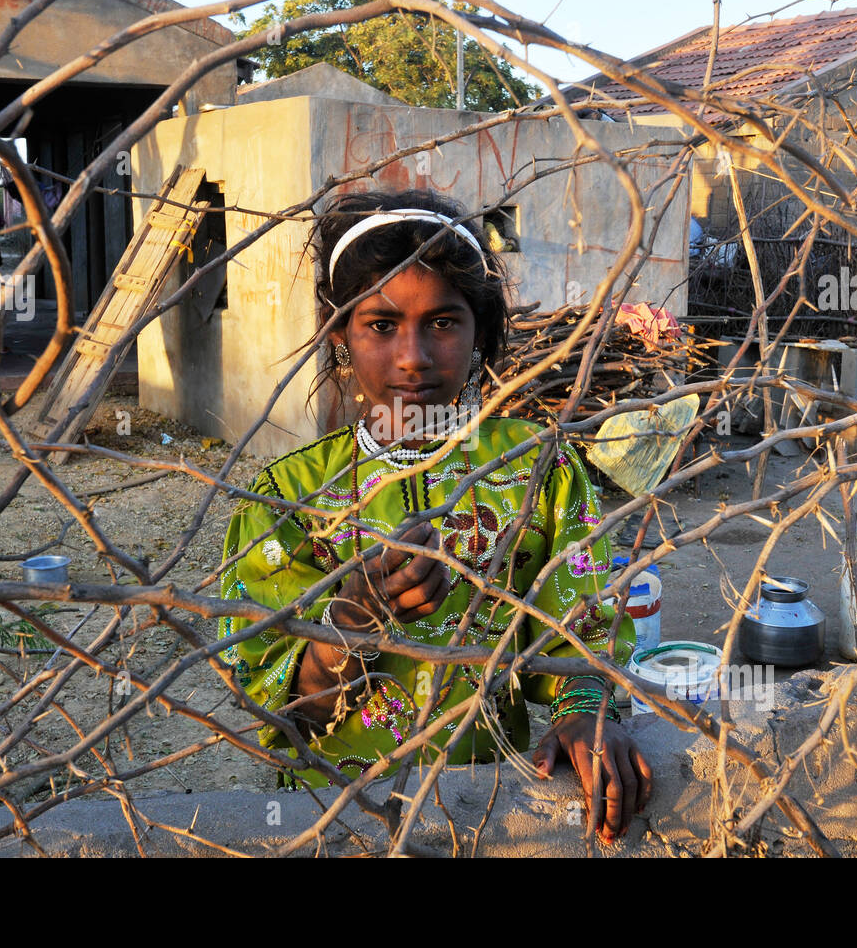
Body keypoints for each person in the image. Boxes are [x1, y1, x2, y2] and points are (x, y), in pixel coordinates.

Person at [218, 189, 652, 842]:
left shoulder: (542, 474)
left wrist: (586, 709)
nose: (414, 356)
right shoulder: (288, 500)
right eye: (381, 325)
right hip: (337, 822)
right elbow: (283, 712)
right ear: (341, 335)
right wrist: (354, 621)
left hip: (492, 816)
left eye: (443, 322)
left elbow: (584, 636)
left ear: (481, 332)